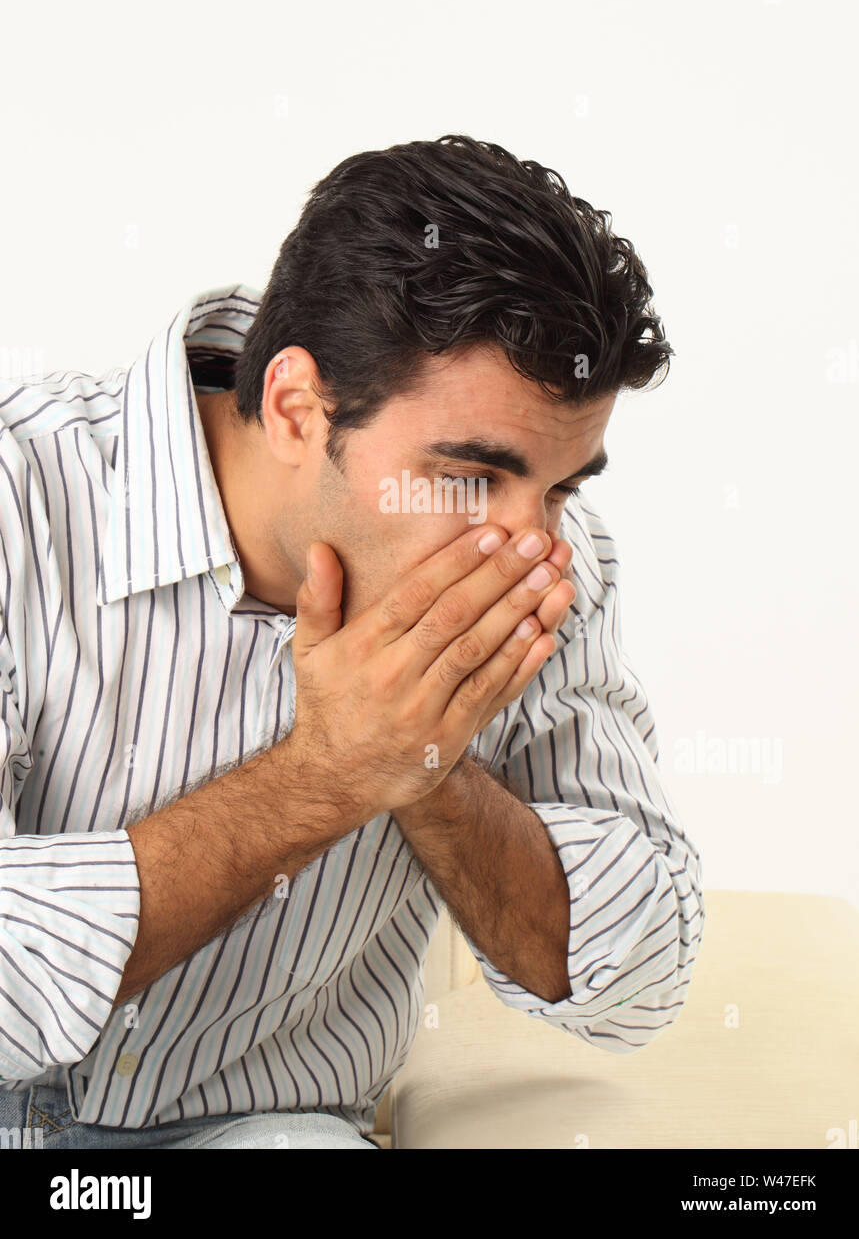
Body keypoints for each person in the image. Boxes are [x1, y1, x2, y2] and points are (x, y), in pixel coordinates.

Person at [0, 134, 704, 1149]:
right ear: (295, 406)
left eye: (558, 486)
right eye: (467, 476)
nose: (526, 543)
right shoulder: (25, 498)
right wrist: (330, 773)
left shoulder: (549, 569)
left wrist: (428, 768)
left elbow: (632, 983)